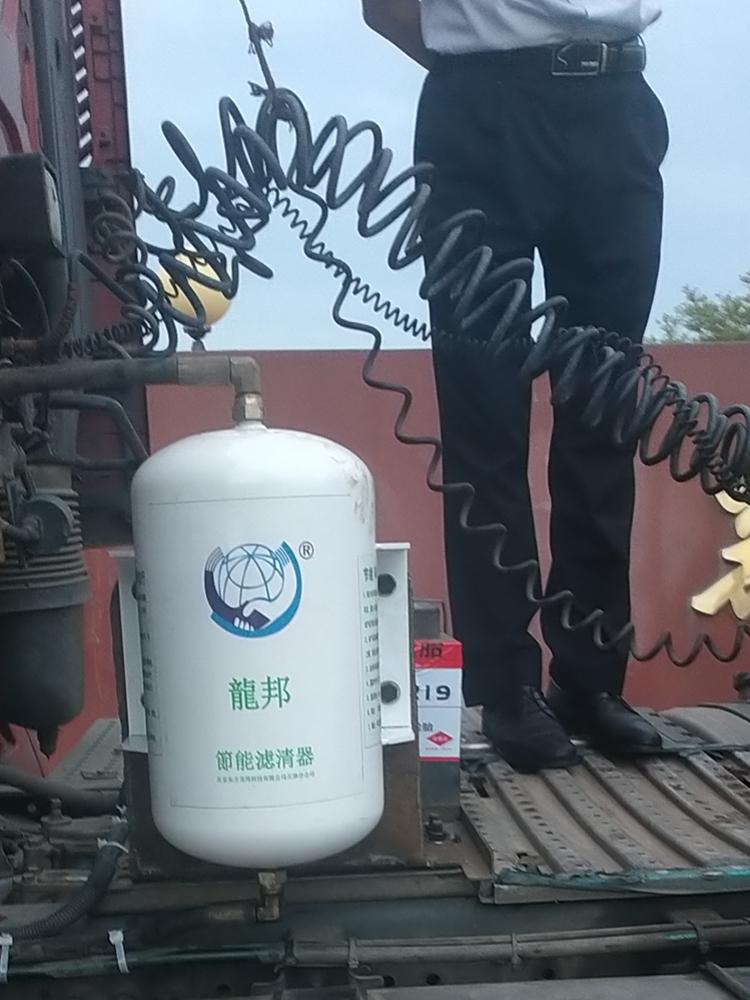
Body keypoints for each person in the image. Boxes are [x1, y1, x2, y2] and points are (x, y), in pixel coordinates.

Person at [362, 0, 669, 771]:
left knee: (604, 407)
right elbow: (385, 9)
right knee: (484, 415)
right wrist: (489, 74)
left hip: (617, 105)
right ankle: (504, 688)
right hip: (480, 111)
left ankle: (589, 680)